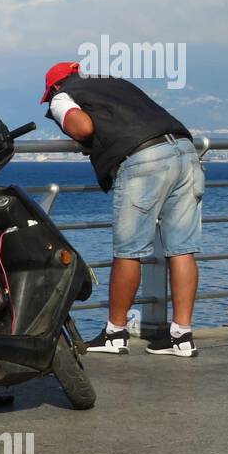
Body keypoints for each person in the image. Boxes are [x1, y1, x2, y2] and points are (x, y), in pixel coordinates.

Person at [40, 61, 204, 357]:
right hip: (184, 151)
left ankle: (115, 334)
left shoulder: (62, 95)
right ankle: (182, 336)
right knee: (181, 249)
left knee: (129, 251)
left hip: (144, 160)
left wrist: (69, 125)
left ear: (54, 86)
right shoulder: (116, 83)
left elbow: (83, 128)